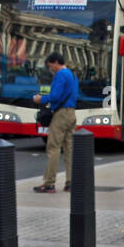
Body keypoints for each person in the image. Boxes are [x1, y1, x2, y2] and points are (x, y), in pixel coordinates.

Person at [33, 53, 77, 193]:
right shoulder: (72, 74)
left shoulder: (60, 75)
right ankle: (71, 182)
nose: (50, 68)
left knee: (53, 147)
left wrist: (41, 99)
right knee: (69, 148)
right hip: (71, 113)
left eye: (50, 65)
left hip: (61, 114)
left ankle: (49, 183)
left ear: (56, 62)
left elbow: (55, 95)